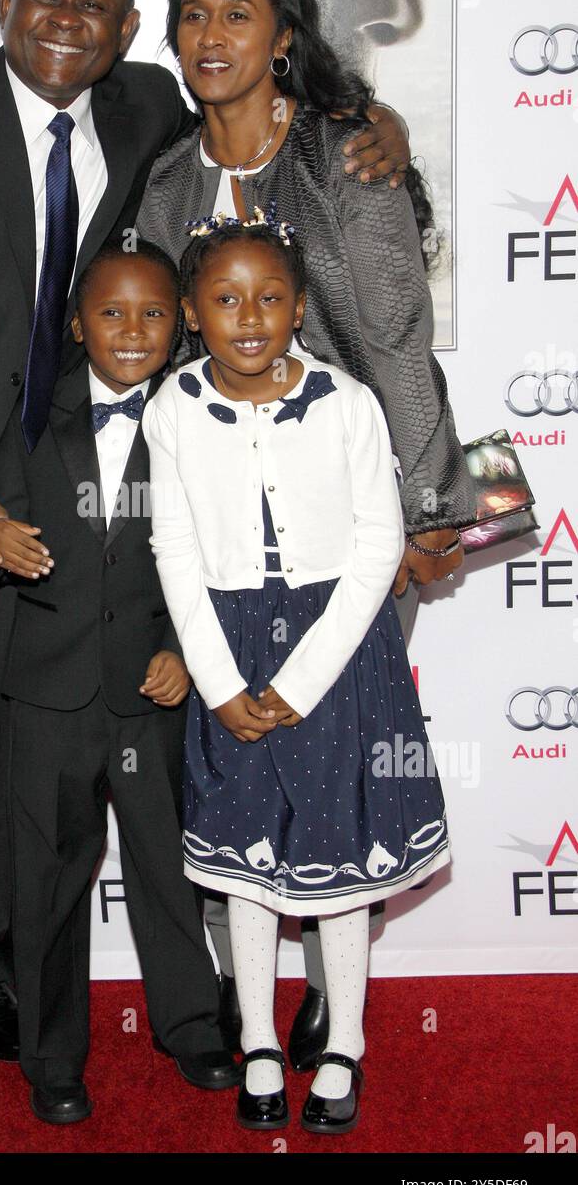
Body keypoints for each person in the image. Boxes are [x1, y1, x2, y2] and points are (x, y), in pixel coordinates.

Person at [0, 0, 411, 1107]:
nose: (66, 20)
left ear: (127, 28)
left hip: (60, 517)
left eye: (97, 5)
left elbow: (259, 90)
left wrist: (368, 124)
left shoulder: (143, 105)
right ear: (3, 0)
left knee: (4, 768)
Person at [134, 0, 475, 1067]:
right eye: (193, 15)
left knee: (337, 748)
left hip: (356, 517)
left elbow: (394, 334)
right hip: (225, 533)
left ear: (281, 37)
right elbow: (155, 372)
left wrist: (431, 512)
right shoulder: (169, 180)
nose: (211, 34)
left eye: (238, 13)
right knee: (244, 759)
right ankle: (254, 1013)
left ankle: (338, 1000)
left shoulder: (344, 152)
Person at [142, 211, 451, 1132]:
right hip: (229, 650)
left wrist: (301, 681)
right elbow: (175, 551)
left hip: (339, 656)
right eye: (226, 299)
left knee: (339, 860)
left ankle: (344, 1041)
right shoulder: (173, 411)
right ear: (193, 313)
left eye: (270, 298)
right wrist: (222, 681)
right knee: (246, 865)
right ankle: (261, 1040)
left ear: (301, 308)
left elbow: (375, 548)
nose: (249, 316)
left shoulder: (347, 403)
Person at [0, 241, 238, 1124]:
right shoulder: (26, 419)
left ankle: (193, 1025)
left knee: (169, 868)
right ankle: (52, 1055)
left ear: (182, 326)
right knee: (46, 880)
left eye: (153, 314)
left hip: (151, 690)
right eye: (111, 314)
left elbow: (216, 558)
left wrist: (183, 648)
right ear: (76, 323)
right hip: (46, 694)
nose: (132, 331)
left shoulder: (200, 421)